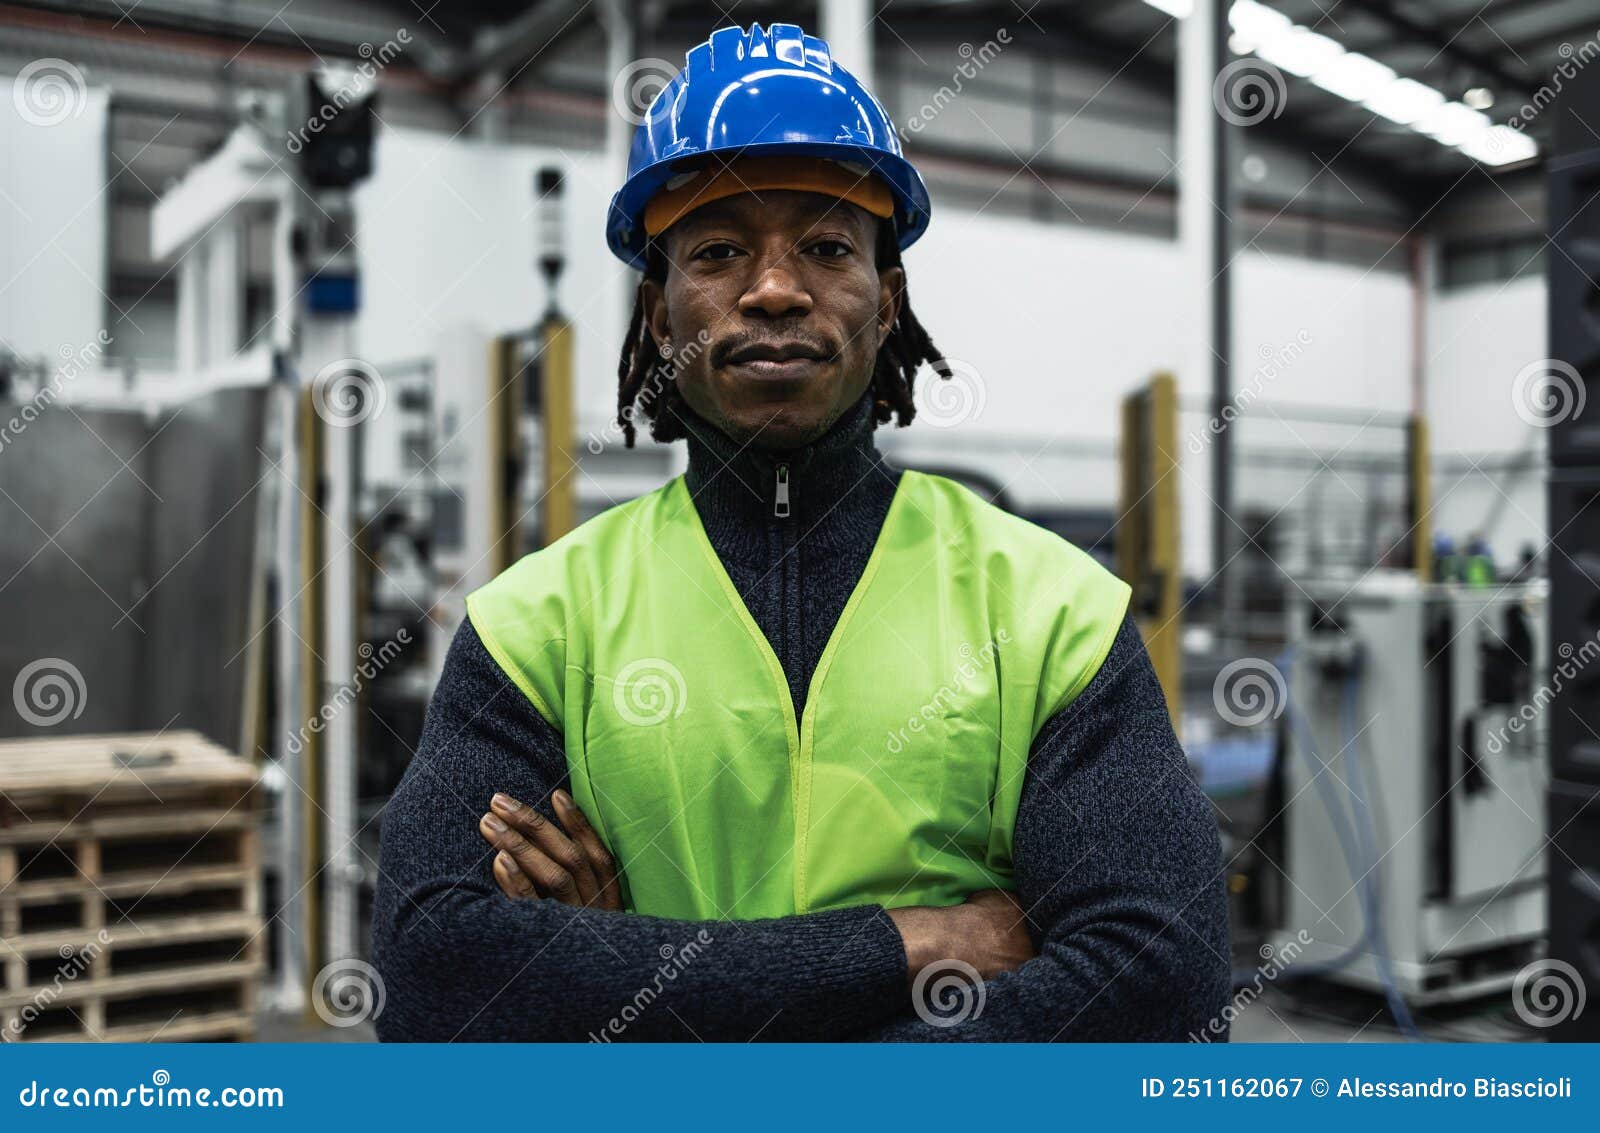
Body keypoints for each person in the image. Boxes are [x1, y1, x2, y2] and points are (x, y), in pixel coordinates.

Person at [372, 21, 1228, 1041]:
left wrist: (623, 972)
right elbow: (431, 975)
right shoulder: (537, 626)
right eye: (718, 251)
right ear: (658, 313)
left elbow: (1165, 982)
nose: (774, 289)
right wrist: (909, 944)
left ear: (886, 301)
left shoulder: (1050, 612)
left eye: (824, 247)